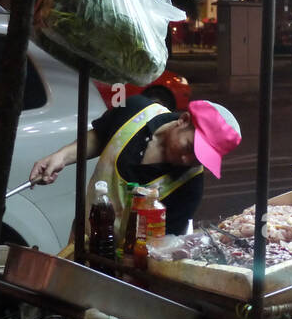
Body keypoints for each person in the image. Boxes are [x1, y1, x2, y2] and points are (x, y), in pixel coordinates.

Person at [31, 94, 241, 238]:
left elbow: (165, 246)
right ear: (184, 120)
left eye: (199, 159)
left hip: (131, 272)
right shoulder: (135, 109)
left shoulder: (190, 186)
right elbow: (101, 136)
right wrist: (61, 157)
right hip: (82, 239)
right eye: (188, 147)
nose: (187, 161)